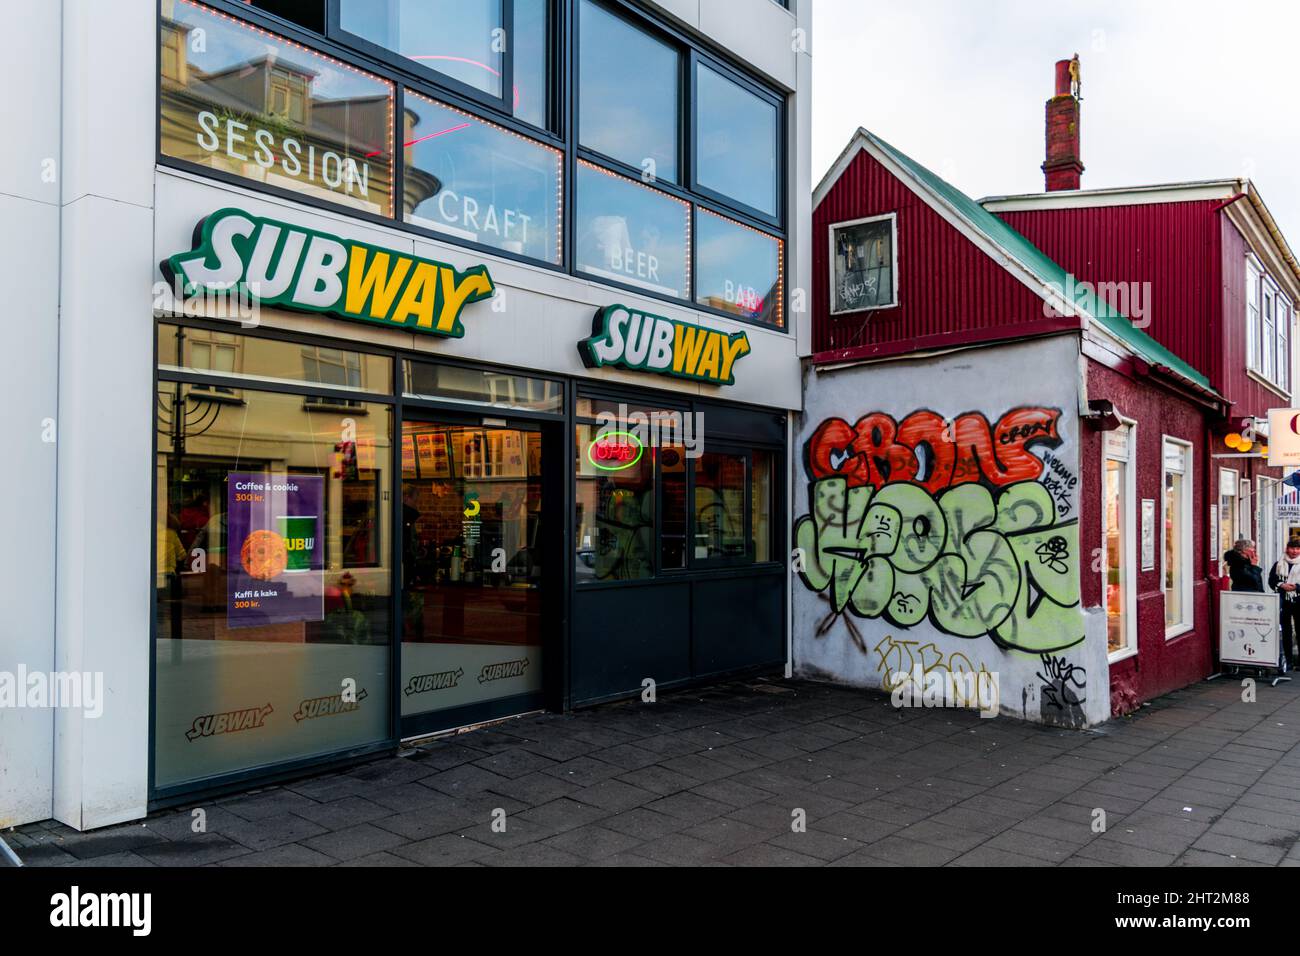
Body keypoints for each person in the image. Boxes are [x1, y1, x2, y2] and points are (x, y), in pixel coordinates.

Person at [1268, 538, 1300, 671]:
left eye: (1298, 549)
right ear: (1287, 549)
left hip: (1298, 601)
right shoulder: (1278, 564)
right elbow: (1271, 580)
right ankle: (1288, 660)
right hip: (1284, 602)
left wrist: (1296, 587)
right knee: (1286, 632)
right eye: (1292, 548)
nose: (1295, 551)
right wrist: (1282, 585)